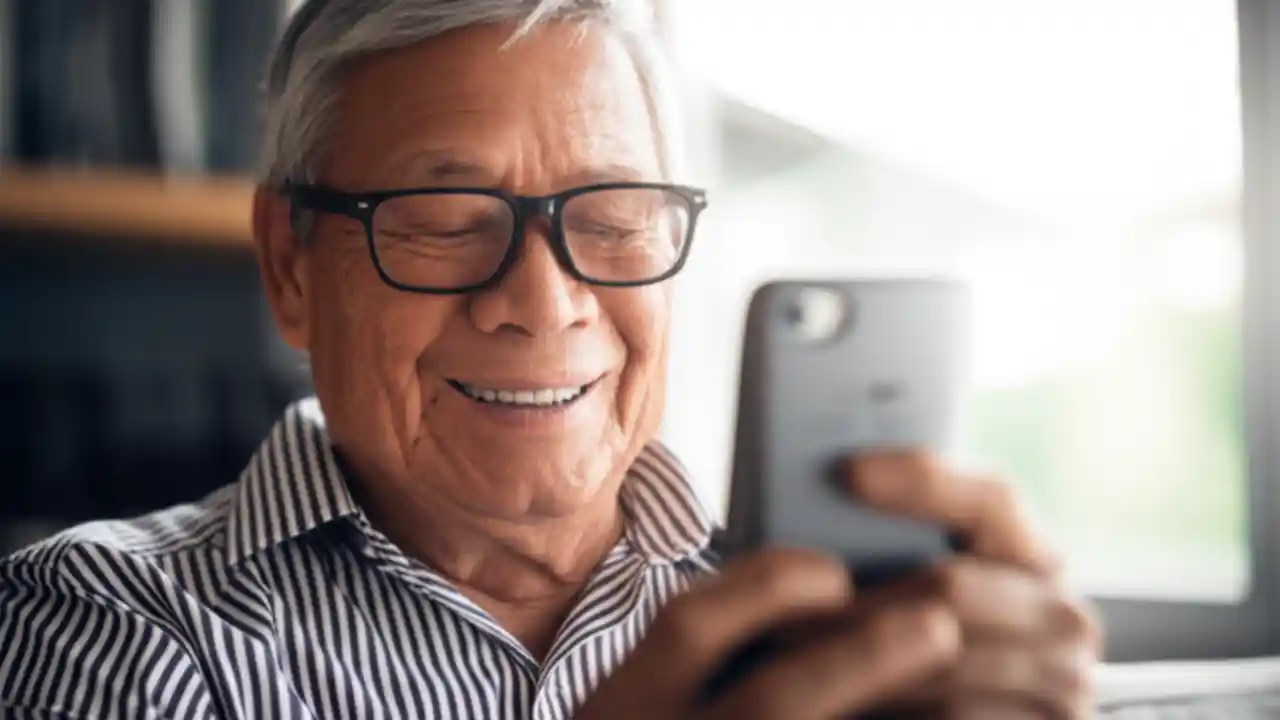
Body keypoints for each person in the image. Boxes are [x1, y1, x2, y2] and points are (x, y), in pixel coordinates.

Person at [0, 1, 1100, 717]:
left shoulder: (824, 631)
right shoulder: (106, 627)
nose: (541, 303)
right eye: (443, 219)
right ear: (292, 266)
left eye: (614, 217)